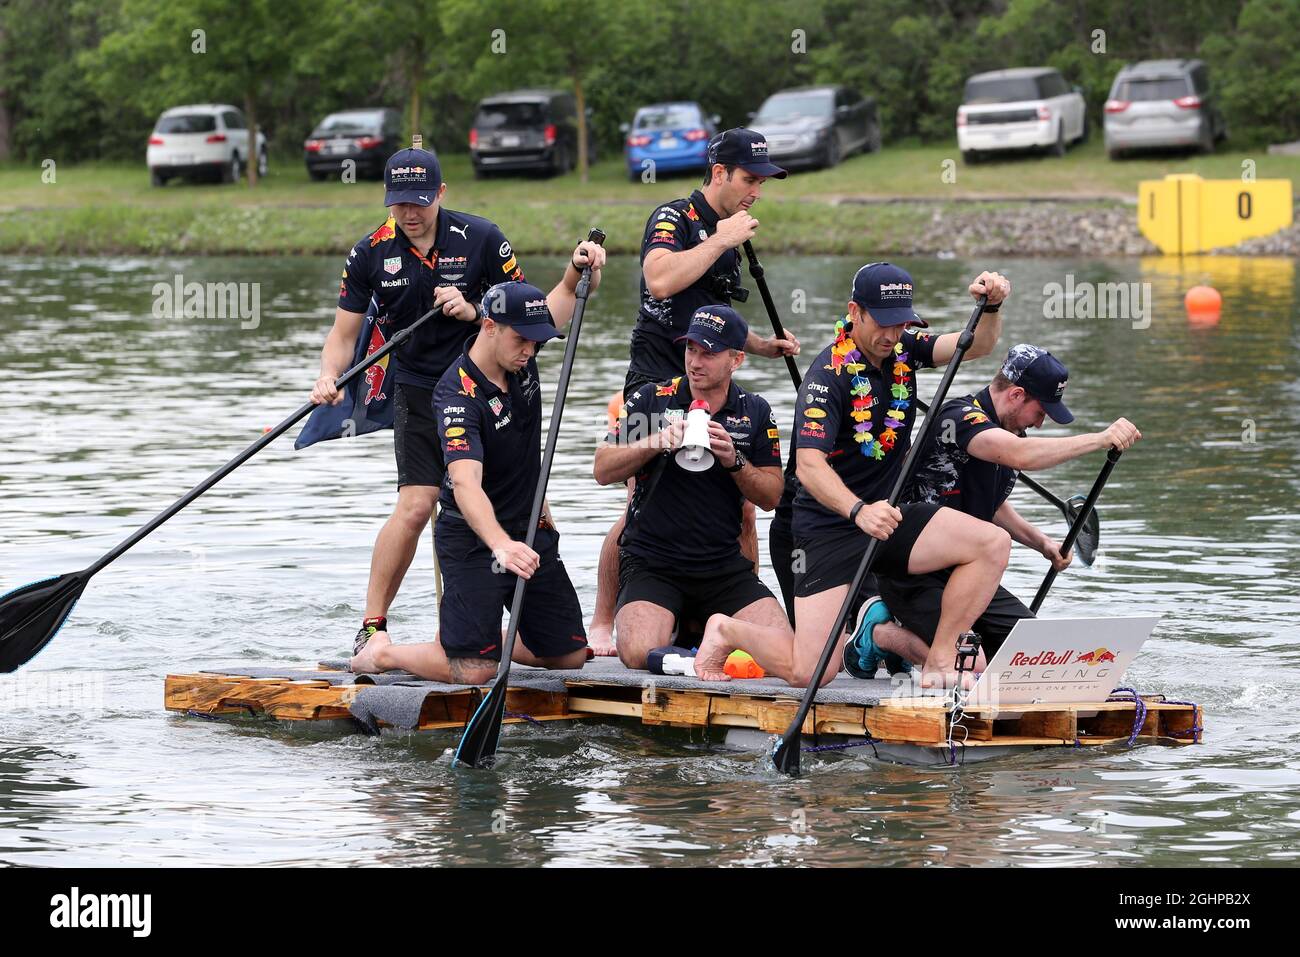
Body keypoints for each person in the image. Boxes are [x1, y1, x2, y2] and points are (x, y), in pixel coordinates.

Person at [310, 141, 605, 655]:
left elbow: (530, 313)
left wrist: (474, 309)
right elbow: (342, 335)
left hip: (490, 386)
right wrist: (329, 376)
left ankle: (484, 640)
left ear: (441, 193)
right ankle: (372, 626)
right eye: (399, 203)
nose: (409, 213)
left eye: (420, 201)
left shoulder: (482, 237)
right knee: (418, 504)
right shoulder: (370, 252)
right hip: (421, 392)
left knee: (523, 504)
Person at [690, 262, 1012, 688]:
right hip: (828, 527)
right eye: (883, 323)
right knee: (813, 672)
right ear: (855, 311)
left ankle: (939, 659)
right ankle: (726, 629)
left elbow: (976, 346)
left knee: (991, 543)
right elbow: (809, 466)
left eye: (901, 325)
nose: (892, 335)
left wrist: (991, 307)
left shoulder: (903, 350)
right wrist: (858, 512)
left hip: (887, 517)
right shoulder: (826, 377)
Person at [587, 128, 800, 655]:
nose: (756, 191)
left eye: (763, 182)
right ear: (720, 173)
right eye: (749, 179)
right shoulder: (673, 218)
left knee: (741, 503)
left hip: (709, 371)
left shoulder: (727, 237)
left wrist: (760, 345)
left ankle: (727, 609)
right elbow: (661, 281)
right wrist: (723, 239)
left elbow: (712, 317)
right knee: (642, 499)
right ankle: (602, 619)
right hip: (653, 374)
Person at [844, 344, 1143, 675]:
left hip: (966, 570)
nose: (1041, 424)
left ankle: (916, 639)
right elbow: (1021, 455)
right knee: (970, 666)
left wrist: (1041, 542)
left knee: (1034, 652)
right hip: (911, 568)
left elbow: (993, 503)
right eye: (1041, 412)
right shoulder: (960, 419)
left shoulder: (1012, 431)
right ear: (1016, 395)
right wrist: (1100, 439)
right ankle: (879, 635)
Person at [350, 282, 592, 683]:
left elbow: (565, 296)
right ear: (490, 326)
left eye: (537, 343)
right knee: (475, 671)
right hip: (474, 539)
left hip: (529, 531)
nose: (531, 351)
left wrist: (578, 271)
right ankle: (382, 653)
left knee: (570, 656)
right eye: (523, 341)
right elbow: (465, 485)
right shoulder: (457, 395)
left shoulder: (519, 353)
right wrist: (501, 544)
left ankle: (471, 637)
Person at [592, 306, 788, 668]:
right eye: (690, 349)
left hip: (722, 567)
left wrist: (735, 460)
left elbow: (772, 497)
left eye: (709, 353)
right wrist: (658, 441)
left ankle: (708, 632)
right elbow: (602, 469)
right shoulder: (653, 399)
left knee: (783, 646)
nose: (695, 362)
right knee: (636, 652)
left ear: (737, 359)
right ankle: (696, 652)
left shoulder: (755, 410)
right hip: (654, 564)